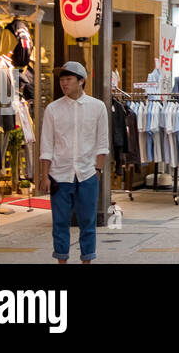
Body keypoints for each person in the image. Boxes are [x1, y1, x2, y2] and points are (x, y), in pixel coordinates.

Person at [38, 61, 108, 264]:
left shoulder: (98, 107)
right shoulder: (53, 109)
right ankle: (62, 260)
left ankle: (87, 260)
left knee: (88, 222)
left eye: (68, 79)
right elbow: (46, 145)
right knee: (60, 223)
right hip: (59, 174)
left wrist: (98, 170)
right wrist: (44, 176)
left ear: (81, 81)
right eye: (61, 80)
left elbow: (102, 143)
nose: (64, 84)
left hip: (88, 174)